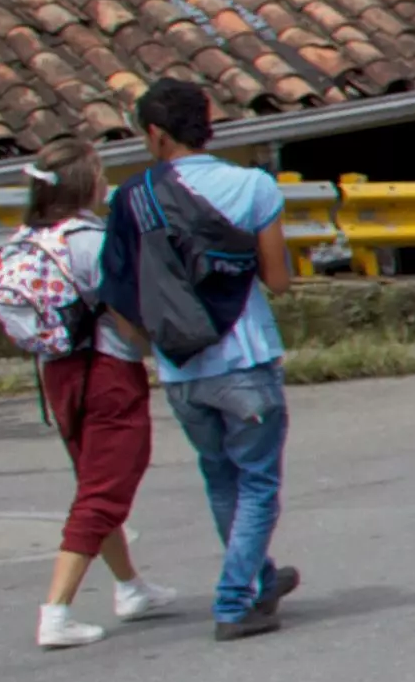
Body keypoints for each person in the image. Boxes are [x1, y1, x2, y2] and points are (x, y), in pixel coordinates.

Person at [104, 75, 298, 640]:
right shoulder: (254, 187)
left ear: (157, 135)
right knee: (258, 482)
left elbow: (118, 290)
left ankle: (258, 579)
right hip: (247, 359)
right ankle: (235, 600)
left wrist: (149, 347)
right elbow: (278, 280)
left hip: (181, 366)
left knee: (221, 479)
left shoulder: (130, 198)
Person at [0, 147, 179, 649]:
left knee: (91, 484)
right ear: (84, 186)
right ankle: (57, 613)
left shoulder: (27, 239)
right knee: (103, 492)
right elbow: (126, 308)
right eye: (99, 175)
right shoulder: (92, 242)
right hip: (109, 372)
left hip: (59, 375)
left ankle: (130, 587)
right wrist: (152, 347)